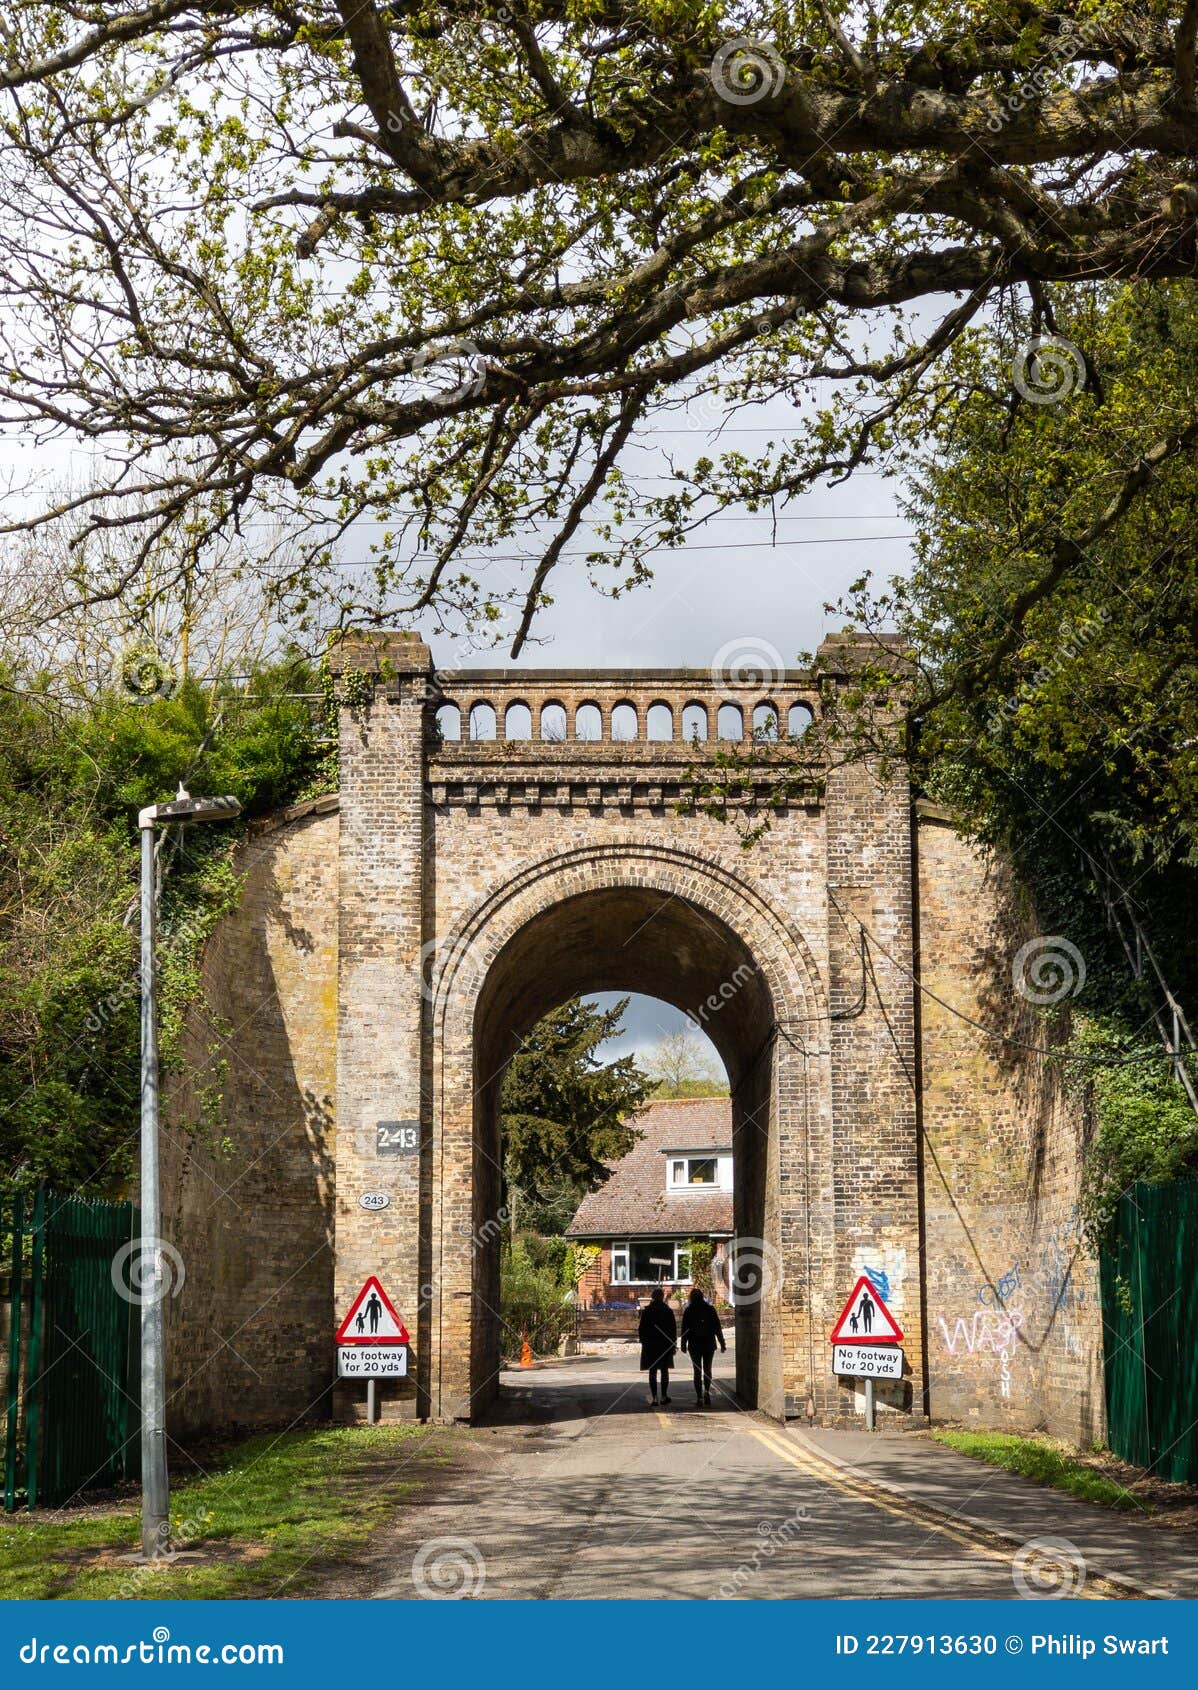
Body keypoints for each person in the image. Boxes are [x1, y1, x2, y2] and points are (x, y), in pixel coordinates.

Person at [680, 1285, 725, 1406]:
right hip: (709, 1343)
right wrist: (722, 1343)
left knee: (697, 1370)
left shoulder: (689, 1311)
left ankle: (699, 1397)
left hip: (694, 1344)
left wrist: (683, 1344)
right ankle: (706, 1391)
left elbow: (685, 1329)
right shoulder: (710, 1309)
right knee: (708, 1368)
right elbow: (717, 1327)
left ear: (691, 1298)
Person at [637, 1287, 677, 1405]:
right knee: (664, 1370)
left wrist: (643, 1341)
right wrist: (673, 1344)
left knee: (652, 1371)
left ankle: (654, 1397)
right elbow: (672, 1329)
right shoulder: (668, 1311)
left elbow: (642, 1328)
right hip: (665, 1344)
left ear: (653, 1297)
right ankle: (664, 1396)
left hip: (650, 1344)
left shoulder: (647, 1311)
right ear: (662, 1297)